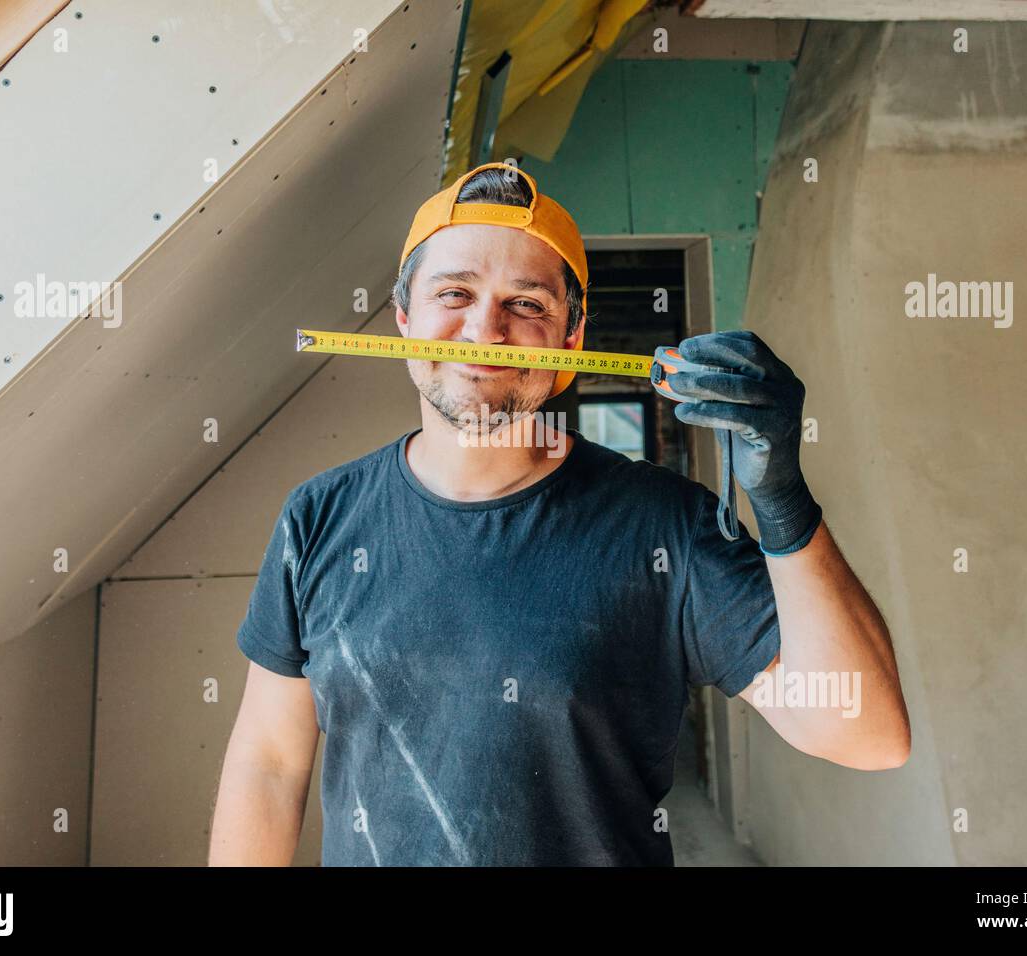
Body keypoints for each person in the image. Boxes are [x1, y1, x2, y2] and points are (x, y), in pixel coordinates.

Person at [209, 162, 909, 867]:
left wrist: (783, 497)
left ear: (572, 340)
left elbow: (867, 732)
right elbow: (268, 762)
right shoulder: (319, 517)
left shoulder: (663, 526)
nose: (486, 331)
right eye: (454, 293)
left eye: (527, 305)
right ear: (403, 318)